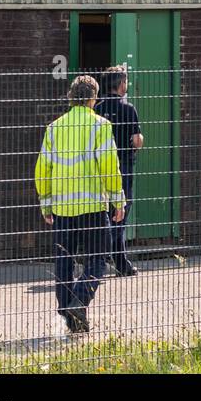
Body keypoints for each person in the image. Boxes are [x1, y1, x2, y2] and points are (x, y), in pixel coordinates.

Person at [36, 74, 125, 334]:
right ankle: (79, 300)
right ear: (92, 98)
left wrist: (46, 203)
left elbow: (42, 169)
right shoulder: (101, 126)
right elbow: (110, 166)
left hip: (63, 208)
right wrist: (118, 200)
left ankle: (69, 312)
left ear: (71, 97)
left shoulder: (54, 127)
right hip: (93, 208)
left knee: (64, 261)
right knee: (98, 259)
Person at [95, 65, 143, 277]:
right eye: (126, 81)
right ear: (121, 84)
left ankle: (116, 260)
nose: (127, 85)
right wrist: (139, 140)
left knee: (105, 212)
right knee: (121, 213)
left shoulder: (96, 107)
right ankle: (109, 257)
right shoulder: (128, 109)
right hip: (122, 164)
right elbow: (136, 140)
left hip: (99, 167)